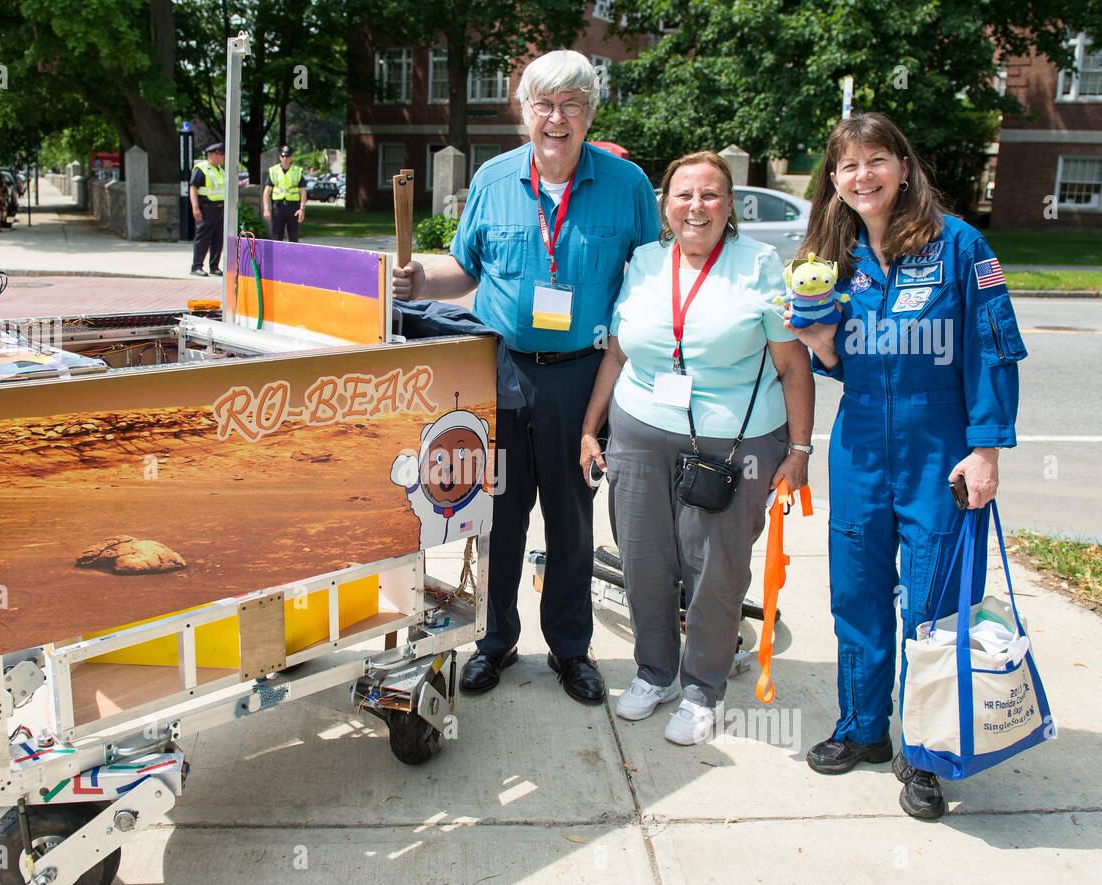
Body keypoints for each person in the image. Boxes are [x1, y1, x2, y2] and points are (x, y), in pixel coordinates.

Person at [392, 50, 660, 704]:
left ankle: (571, 650)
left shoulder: (627, 187)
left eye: (572, 104)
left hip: (581, 377)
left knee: (571, 519)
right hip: (501, 371)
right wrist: (424, 280)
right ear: (524, 113)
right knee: (499, 516)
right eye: (544, 104)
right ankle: (494, 641)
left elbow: (651, 283)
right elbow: (465, 268)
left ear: (590, 114)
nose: (557, 118)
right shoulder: (492, 178)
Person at [787, 112, 1025, 819]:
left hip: (939, 447)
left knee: (933, 606)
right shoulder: (834, 255)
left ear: (903, 164)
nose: (864, 176)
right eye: (848, 166)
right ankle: (862, 728)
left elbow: (993, 349)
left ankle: (926, 753)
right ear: (834, 181)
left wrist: (985, 450)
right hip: (860, 442)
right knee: (856, 593)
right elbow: (836, 364)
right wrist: (823, 343)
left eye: (876, 160)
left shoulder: (959, 246)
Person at [579, 152, 814, 742]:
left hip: (733, 441)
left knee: (714, 566)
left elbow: (793, 365)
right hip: (638, 431)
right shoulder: (644, 262)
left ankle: (701, 688)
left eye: (711, 195)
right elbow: (617, 353)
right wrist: (591, 427)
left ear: (729, 205)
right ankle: (654, 672)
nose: (697, 206)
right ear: (666, 205)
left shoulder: (758, 264)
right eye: (684, 194)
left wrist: (800, 451)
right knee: (643, 557)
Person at [190, 142, 226, 276]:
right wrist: (195, 208)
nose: (222, 157)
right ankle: (196, 266)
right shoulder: (202, 169)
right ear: (212, 155)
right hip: (206, 209)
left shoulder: (220, 170)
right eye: (220, 154)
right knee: (203, 238)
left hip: (219, 209)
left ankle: (214, 266)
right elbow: (193, 188)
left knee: (218, 238)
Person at [262, 145, 307, 242]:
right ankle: (278, 257)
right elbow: (266, 191)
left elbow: (303, 192)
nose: (285, 159)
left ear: (291, 157)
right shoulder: (273, 171)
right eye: (283, 156)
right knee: (277, 237)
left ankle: (293, 256)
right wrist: (266, 208)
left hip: (293, 208)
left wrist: (302, 209)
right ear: (280, 157)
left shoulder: (297, 171)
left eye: (287, 156)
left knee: (294, 238)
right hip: (278, 207)